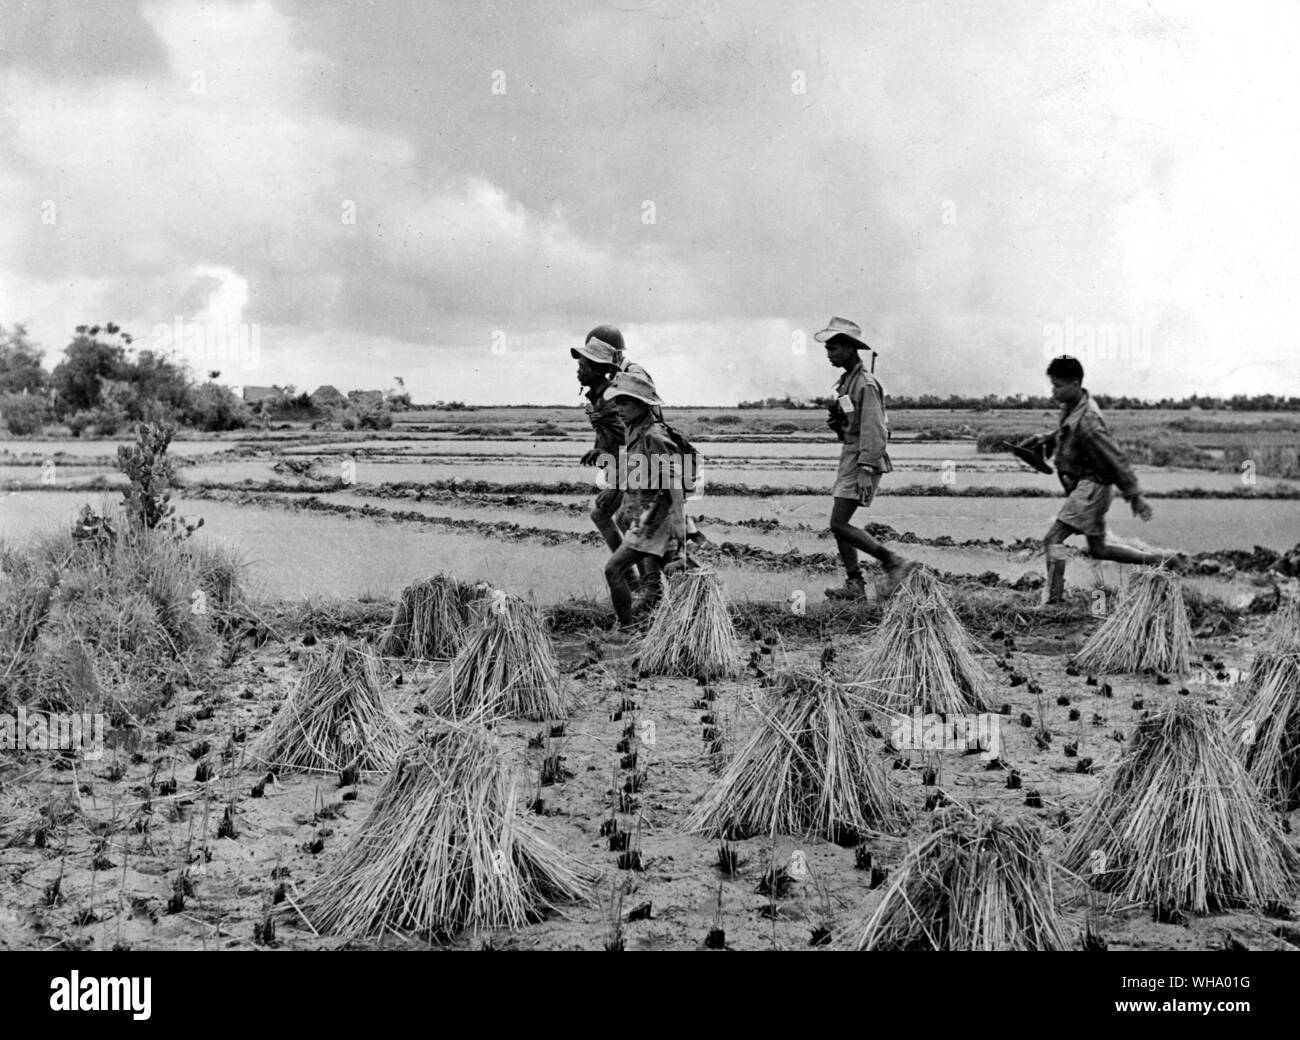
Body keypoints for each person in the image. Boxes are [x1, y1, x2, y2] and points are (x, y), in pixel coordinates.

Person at [1019, 355, 1187, 604]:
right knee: (1099, 549)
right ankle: (1164, 561)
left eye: (1058, 386)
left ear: (1075, 384)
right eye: (1053, 385)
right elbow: (1067, 434)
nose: (1054, 392)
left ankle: (1053, 601)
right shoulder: (1073, 408)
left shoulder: (1088, 421)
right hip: (1090, 487)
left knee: (1053, 539)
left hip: (1092, 488)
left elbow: (1114, 457)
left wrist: (1135, 496)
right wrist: (1046, 438)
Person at [572, 325, 707, 569]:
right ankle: (643, 582)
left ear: (611, 357)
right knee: (626, 521)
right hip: (635, 464)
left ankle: (648, 583)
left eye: (589, 361)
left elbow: (639, 432)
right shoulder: (608, 381)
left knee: (635, 523)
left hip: (650, 465)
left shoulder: (632, 378)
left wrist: (617, 483)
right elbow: (613, 431)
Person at [817, 316, 917, 599]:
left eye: (833, 348)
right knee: (840, 526)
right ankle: (854, 584)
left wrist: (865, 469)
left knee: (838, 524)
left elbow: (875, 431)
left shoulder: (865, 384)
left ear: (849, 348)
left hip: (863, 459)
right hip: (851, 455)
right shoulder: (846, 384)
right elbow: (853, 427)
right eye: (827, 349)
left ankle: (893, 562)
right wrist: (838, 425)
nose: (828, 354)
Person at [600, 371, 687, 643]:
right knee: (670, 575)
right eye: (617, 402)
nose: (618, 408)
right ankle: (670, 628)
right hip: (644, 516)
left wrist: (678, 522)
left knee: (614, 570)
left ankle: (627, 628)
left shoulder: (654, 436)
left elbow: (674, 480)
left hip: (655, 519)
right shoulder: (634, 431)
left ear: (643, 404)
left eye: (625, 402)